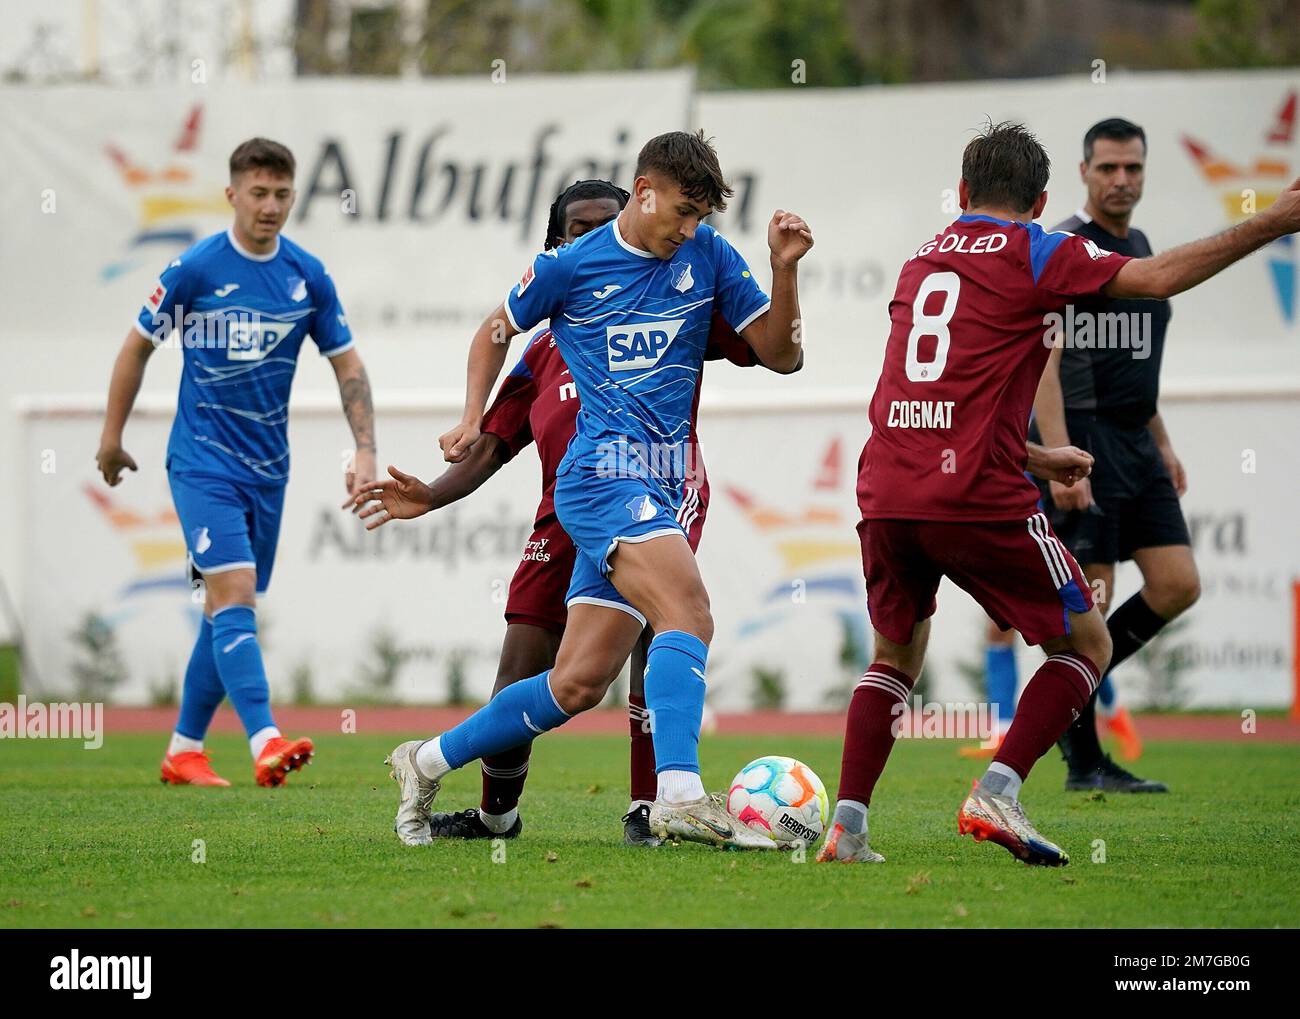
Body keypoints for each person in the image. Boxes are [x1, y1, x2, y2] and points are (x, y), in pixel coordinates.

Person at [818, 121, 1300, 866]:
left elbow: (937, 392)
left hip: (887, 491)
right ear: (1043, 201)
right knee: (1087, 642)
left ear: (964, 191)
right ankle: (998, 790)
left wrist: (1037, 456)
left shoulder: (921, 260)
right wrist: (1273, 220)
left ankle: (847, 830)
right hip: (974, 498)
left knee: (893, 659)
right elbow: (1157, 279)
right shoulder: (1038, 249)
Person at [378, 130, 811, 849]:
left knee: (577, 682)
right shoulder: (571, 265)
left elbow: (783, 355)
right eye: (682, 211)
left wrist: (783, 269)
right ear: (644, 192)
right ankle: (677, 795)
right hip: (602, 473)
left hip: (663, 481)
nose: (690, 228)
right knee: (688, 611)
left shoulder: (707, 255)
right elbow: (494, 330)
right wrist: (470, 415)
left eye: (700, 215)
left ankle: (423, 761)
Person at [96, 138, 375, 788]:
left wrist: (365, 448)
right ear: (232, 194)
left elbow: (348, 365)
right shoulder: (195, 269)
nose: (270, 205)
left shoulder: (306, 275)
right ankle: (265, 740)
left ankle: (184, 749)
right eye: (258, 193)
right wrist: (112, 437)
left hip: (268, 470)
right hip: (201, 463)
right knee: (236, 592)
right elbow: (136, 348)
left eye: (281, 194)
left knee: (223, 610)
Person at [1034, 117, 1198, 788]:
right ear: (1084, 173)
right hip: (1085, 439)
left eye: (1132, 167)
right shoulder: (1065, 247)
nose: (1121, 179)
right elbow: (1043, 364)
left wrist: (1164, 443)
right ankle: (1085, 761)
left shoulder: (1143, 249)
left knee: (1177, 583)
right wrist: (1058, 453)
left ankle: (1071, 691)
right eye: (1108, 168)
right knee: (1090, 605)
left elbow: (1136, 363)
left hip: (1138, 439)